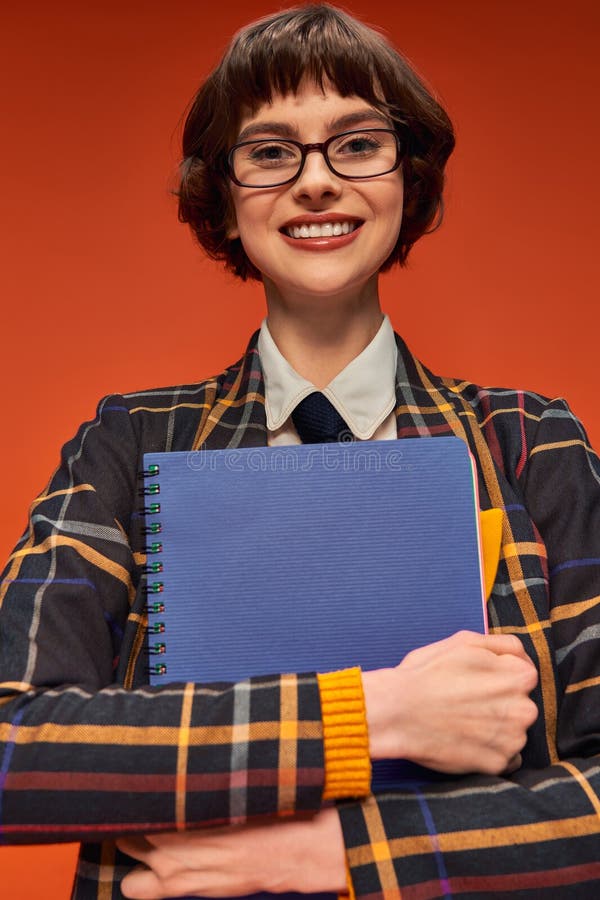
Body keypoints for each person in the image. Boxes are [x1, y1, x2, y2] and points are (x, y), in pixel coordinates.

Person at [1, 4, 599, 898]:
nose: (316, 183)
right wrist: (371, 716)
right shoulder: (128, 441)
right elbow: (16, 754)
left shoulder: (531, 443)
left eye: (357, 144)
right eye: (272, 151)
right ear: (222, 191)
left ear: (410, 177)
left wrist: (341, 853)